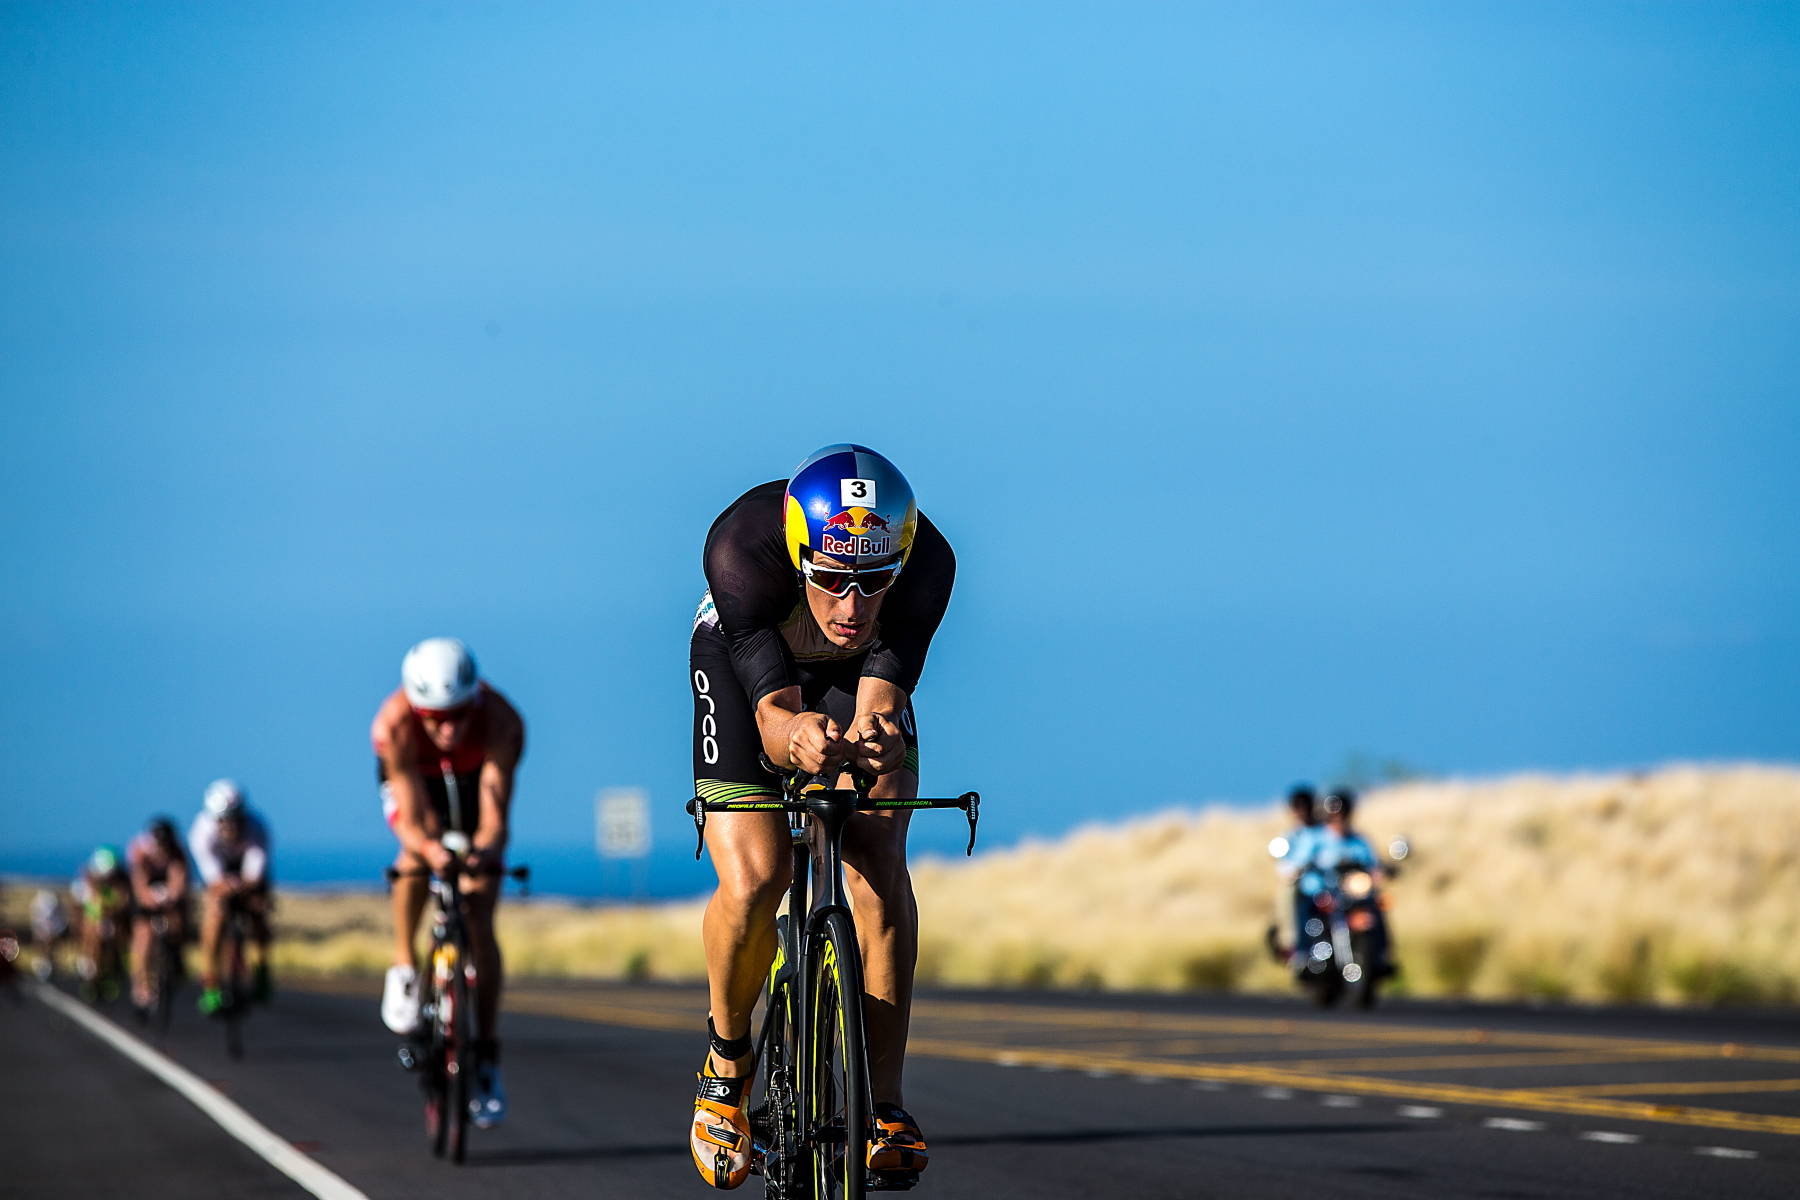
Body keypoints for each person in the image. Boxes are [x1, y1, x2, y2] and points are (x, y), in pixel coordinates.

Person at [688, 444, 954, 1189]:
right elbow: (773, 718)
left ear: (899, 560)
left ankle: (884, 1105)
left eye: (874, 582)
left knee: (878, 860)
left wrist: (876, 738)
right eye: (832, 579)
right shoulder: (742, 549)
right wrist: (795, 736)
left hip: (853, 677)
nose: (852, 607)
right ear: (799, 553)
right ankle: (727, 1064)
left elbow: (880, 699)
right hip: (746, 665)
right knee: (757, 876)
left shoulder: (929, 564)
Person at [371, 637, 524, 1130]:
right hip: (419, 782)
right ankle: (404, 963)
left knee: (479, 913)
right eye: (435, 718)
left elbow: (495, 818)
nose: (449, 728)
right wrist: (432, 849)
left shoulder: (502, 721)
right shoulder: (394, 725)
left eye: (459, 715)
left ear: (474, 699)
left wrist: (481, 853)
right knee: (414, 857)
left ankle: (487, 1054)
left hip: (476, 783)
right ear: (417, 710)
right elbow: (411, 818)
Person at [188, 779, 274, 1015]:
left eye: (234, 819)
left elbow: (255, 874)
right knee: (214, 918)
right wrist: (225, 888)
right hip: (220, 875)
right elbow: (213, 878)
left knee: (258, 911)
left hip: (247, 873)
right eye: (223, 820)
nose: (229, 825)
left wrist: (249, 891)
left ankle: (261, 968)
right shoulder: (200, 832)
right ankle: (210, 984)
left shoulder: (257, 827)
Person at [126, 815, 193, 1015]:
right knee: (143, 937)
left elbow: (179, 881)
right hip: (146, 894)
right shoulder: (139, 850)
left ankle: (176, 954)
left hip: (168, 896)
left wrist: (172, 897)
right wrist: (149, 899)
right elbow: (139, 884)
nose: (162, 847)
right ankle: (142, 985)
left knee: (178, 920)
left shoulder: (178, 852)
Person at [71, 846, 131, 1001]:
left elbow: (124, 902)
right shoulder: (86, 880)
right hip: (94, 916)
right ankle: (90, 970)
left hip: (113, 918)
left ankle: (115, 968)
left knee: (120, 937)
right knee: (91, 937)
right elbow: (81, 907)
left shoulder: (122, 880)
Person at [1270, 783, 1319, 966]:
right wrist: (1291, 871)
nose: (1299, 812)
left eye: (1303, 807)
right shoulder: (1290, 836)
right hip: (1302, 884)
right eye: (1296, 807)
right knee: (1287, 893)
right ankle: (1291, 943)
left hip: (1326, 882)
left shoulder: (1323, 832)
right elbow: (1282, 863)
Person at [28, 888, 71, 982]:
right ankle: (44, 962)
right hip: (43, 926)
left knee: (49, 945)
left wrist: (53, 932)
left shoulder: (56, 913)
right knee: (42, 944)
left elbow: (62, 920)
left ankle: (48, 963)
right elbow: (35, 918)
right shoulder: (40, 905)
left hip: (53, 927)